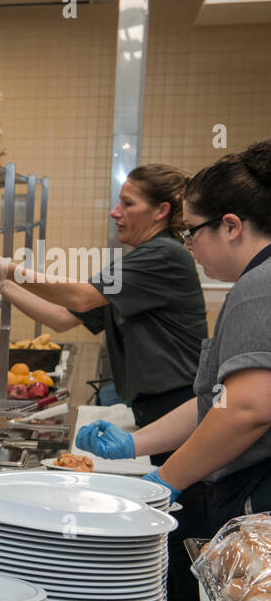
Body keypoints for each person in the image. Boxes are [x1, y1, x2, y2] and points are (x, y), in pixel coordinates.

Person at [79, 141, 271, 547]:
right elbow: (218, 401)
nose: (189, 245)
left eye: (192, 232)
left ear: (231, 226)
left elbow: (247, 410)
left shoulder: (260, 285)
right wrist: (136, 443)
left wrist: (165, 480)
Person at [0, 164, 207, 442]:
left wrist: (8, 269)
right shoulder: (140, 261)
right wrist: (1, 285)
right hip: (153, 407)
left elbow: (80, 296)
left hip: (176, 404)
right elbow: (61, 318)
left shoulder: (164, 254)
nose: (114, 212)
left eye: (127, 204)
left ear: (160, 212)